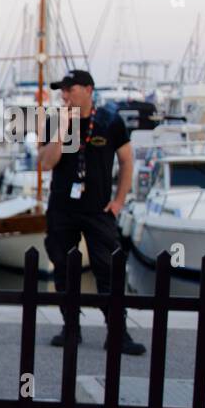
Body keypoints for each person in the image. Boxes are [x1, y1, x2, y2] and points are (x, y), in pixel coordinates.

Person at [39, 69, 145, 355]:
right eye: (61, 90)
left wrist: (120, 200)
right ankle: (70, 328)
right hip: (63, 208)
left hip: (98, 209)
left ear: (87, 90)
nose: (64, 95)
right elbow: (47, 163)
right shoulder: (55, 120)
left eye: (69, 89)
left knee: (108, 270)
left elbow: (126, 160)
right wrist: (63, 128)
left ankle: (117, 333)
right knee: (63, 268)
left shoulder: (110, 121)